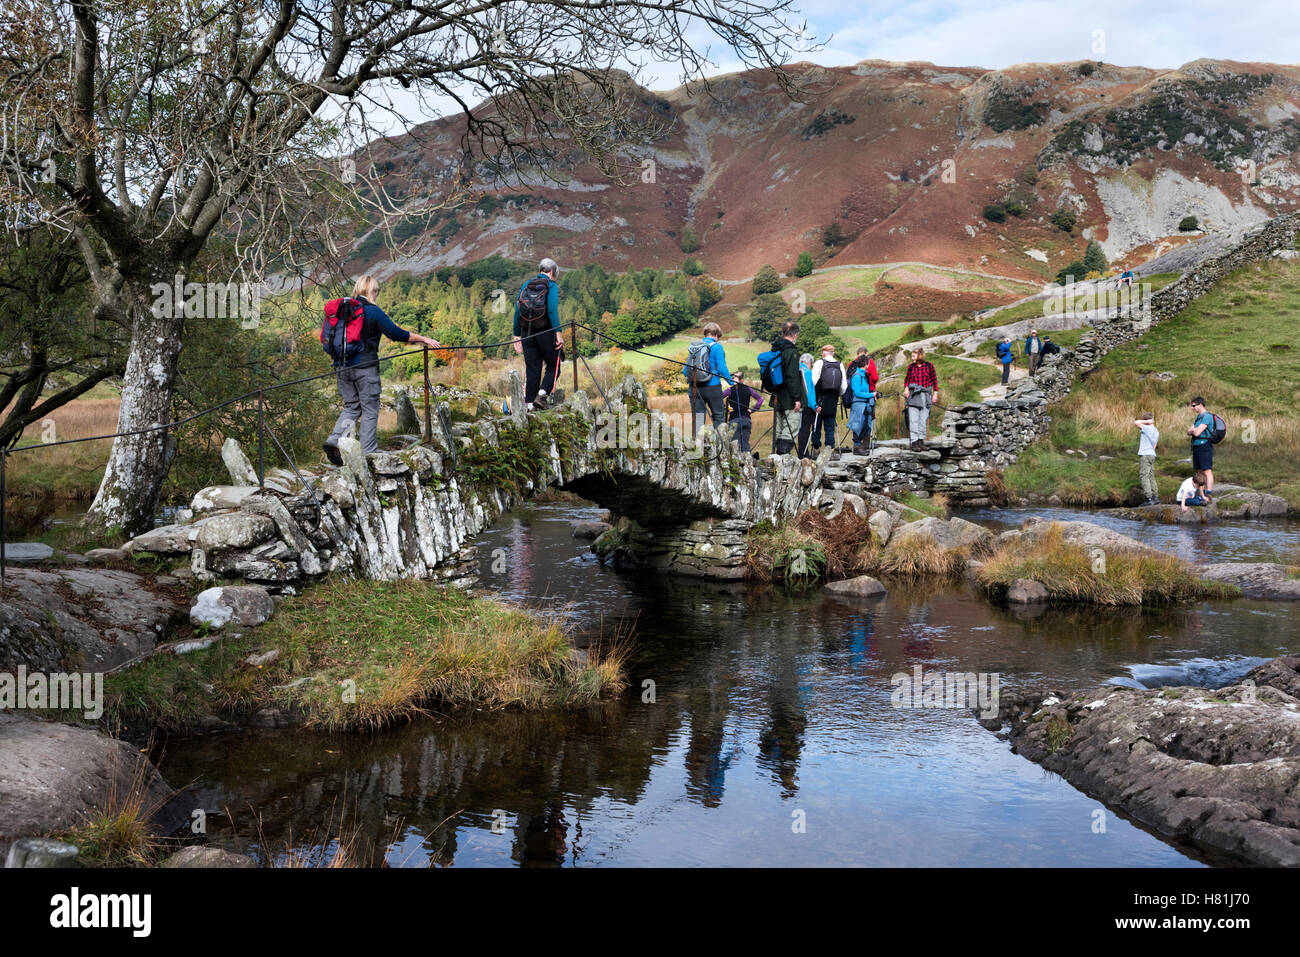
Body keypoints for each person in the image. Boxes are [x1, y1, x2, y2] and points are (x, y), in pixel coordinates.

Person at [323, 274, 440, 464]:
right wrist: (423, 339)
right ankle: (369, 451)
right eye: (376, 291)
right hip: (365, 368)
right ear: (372, 291)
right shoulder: (372, 311)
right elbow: (396, 333)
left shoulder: (343, 311)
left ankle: (335, 439)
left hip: (341, 367)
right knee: (370, 409)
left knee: (351, 407)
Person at [512, 257, 565, 411]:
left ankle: (529, 406)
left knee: (532, 370)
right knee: (554, 367)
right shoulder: (551, 286)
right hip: (545, 333)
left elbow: (517, 311)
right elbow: (551, 310)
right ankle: (541, 395)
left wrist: (517, 336)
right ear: (552, 272)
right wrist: (558, 333)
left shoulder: (526, 284)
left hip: (526, 333)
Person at [682, 321, 731, 435]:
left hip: (695, 388)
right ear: (716, 335)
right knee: (718, 416)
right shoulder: (717, 347)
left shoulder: (695, 347)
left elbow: (685, 371)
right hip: (712, 387)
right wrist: (731, 382)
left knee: (698, 419)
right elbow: (722, 368)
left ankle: (698, 446)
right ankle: (719, 446)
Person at [770, 322, 806, 456]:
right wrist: (797, 398)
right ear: (795, 334)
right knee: (791, 427)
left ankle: (776, 460)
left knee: (779, 429)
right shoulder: (791, 351)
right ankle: (783, 458)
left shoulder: (775, 349)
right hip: (790, 397)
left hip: (777, 395)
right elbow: (792, 376)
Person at [809, 343, 847, 453]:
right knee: (830, 427)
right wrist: (837, 394)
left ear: (823, 353)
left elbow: (813, 382)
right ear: (833, 353)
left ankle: (816, 449)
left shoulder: (819, 363)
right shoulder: (840, 365)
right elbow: (844, 386)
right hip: (833, 400)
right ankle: (830, 449)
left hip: (819, 399)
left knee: (817, 425)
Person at [903, 347, 939, 450]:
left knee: (922, 420)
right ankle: (914, 442)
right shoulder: (911, 367)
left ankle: (921, 441)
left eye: (913, 355)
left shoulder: (929, 366)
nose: (912, 358)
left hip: (926, 396)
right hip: (914, 395)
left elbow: (934, 381)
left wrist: (935, 393)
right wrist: (906, 389)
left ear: (920, 355)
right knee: (914, 420)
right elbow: (907, 380)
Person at [723, 369, 764, 453]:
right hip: (746, 420)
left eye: (734, 377)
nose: (733, 379)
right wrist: (753, 410)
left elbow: (718, 398)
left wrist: (727, 408)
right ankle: (747, 462)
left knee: (734, 446)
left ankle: (737, 464)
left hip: (734, 419)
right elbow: (760, 399)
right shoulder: (749, 389)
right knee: (745, 445)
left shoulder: (730, 390)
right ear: (743, 380)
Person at [846, 354, 877, 454]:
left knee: (864, 425)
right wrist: (871, 394)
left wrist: (871, 395)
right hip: (858, 405)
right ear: (865, 364)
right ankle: (857, 447)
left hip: (865, 404)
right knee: (857, 425)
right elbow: (857, 392)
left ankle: (861, 446)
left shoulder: (863, 375)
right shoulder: (857, 376)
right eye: (868, 363)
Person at [1187, 396, 1215, 502]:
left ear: (1200, 405)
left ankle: (1209, 492)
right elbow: (1188, 431)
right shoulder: (1198, 417)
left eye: (1194, 406)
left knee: (1207, 470)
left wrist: (1194, 430)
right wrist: (1193, 430)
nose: (1192, 408)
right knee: (1199, 471)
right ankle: (1201, 493)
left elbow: (1197, 432)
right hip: (1196, 446)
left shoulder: (1207, 416)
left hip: (1205, 445)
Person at [1134, 411, 1160, 505]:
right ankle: (1155, 497)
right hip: (1152, 454)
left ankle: (1148, 498)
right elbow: (1155, 445)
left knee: (1144, 475)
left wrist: (1147, 422)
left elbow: (1136, 422)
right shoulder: (1156, 430)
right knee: (1151, 476)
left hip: (1145, 454)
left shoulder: (1146, 428)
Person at [796, 352, 817, 457]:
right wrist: (814, 405)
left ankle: (801, 451)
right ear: (809, 362)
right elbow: (809, 391)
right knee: (805, 429)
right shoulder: (807, 372)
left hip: (797, 404)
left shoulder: (796, 370)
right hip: (807, 405)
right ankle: (804, 453)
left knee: (800, 429)